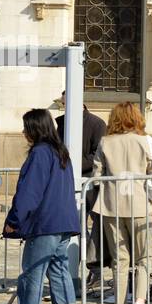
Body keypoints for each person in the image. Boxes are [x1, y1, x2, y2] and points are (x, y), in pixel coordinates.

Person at [0, 110, 81, 304]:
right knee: (58, 267)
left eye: (26, 127)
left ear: (34, 129)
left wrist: (14, 219)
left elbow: (30, 192)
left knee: (33, 267)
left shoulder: (40, 153)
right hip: (63, 220)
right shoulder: (60, 152)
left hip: (46, 222)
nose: (23, 132)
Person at [92, 102, 152, 304]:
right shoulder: (145, 142)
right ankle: (140, 301)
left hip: (112, 205)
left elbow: (97, 174)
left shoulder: (105, 142)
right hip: (139, 203)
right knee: (143, 256)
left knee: (120, 258)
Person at [56, 93, 108, 282]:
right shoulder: (61, 123)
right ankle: (73, 270)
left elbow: (98, 154)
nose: (64, 107)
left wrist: (72, 162)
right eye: (63, 104)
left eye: (67, 103)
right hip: (68, 180)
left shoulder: (97, 124)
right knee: (75, 226)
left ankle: (95, 268)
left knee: (96, 225)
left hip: (90, 181)